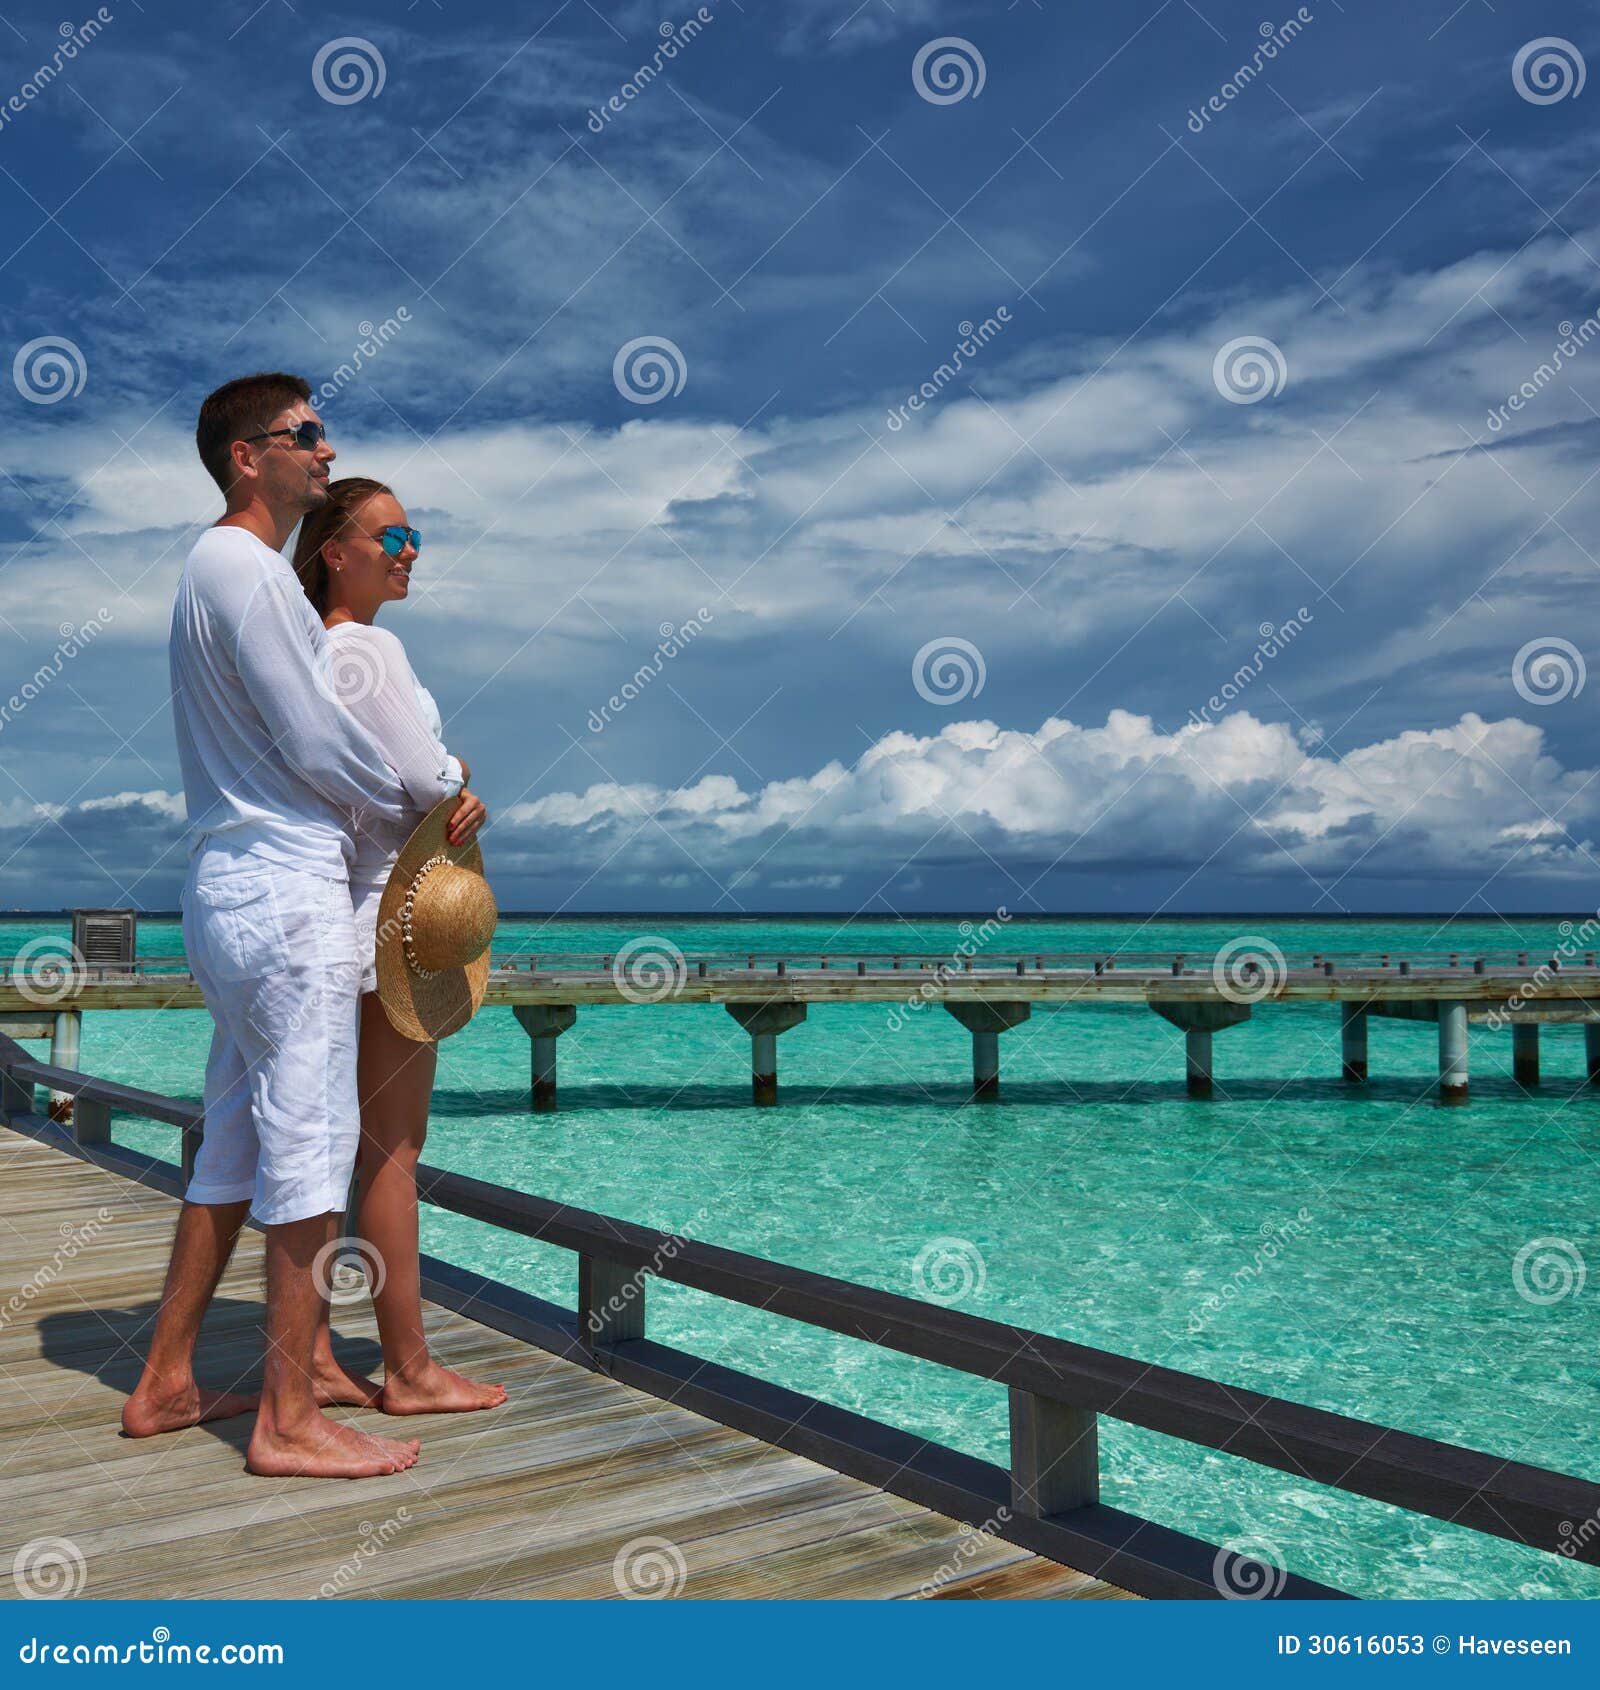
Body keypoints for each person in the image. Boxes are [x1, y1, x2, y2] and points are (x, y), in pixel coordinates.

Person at [123, 373, 421, 1478]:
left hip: (234, 887)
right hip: (283, 886)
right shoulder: (241, 564)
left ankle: (163, 1379)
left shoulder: (228, 572)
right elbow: (312, 736)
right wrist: (412, 797)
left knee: (235, 1144)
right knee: (312, 1146)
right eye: (305, 434)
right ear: (247, 456)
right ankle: (288, 1420)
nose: (326, 449)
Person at [292, 479, 505, 1415]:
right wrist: (463, 775)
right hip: (398, 921)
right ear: (337, 552)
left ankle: (310, 1358)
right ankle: (411, 1369)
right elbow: (425, 775)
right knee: (392, 1149)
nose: (411, 549)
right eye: (392, 536)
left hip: (344, 911)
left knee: (340, 1146)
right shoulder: (368, 647)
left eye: (416, 533)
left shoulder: (310, 651)